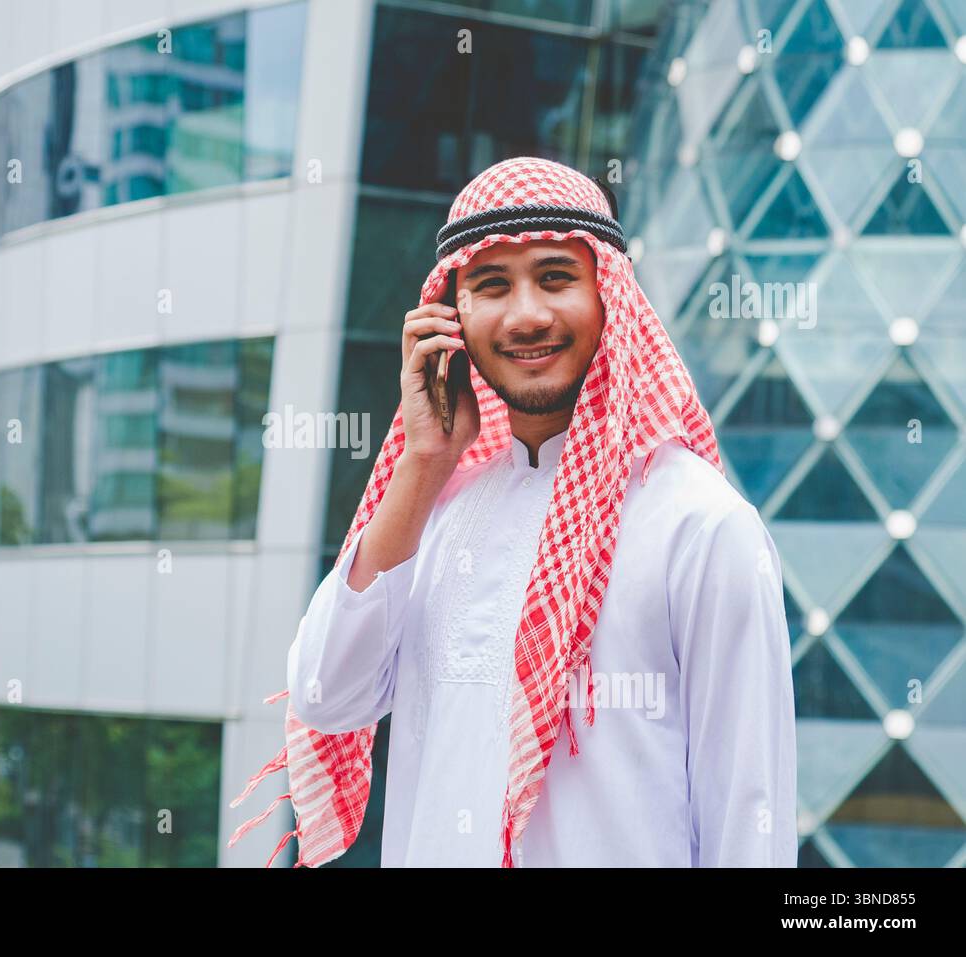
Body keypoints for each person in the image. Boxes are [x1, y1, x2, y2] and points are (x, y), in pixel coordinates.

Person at [228, 156, 797, 868]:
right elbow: (324, 694)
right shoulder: (432, 508)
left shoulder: (700, 524)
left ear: (609, 298)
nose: (527, 314)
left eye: (556, 277)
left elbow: (750, 815)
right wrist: (423, 465)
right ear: (451, 316)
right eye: (492, 285)